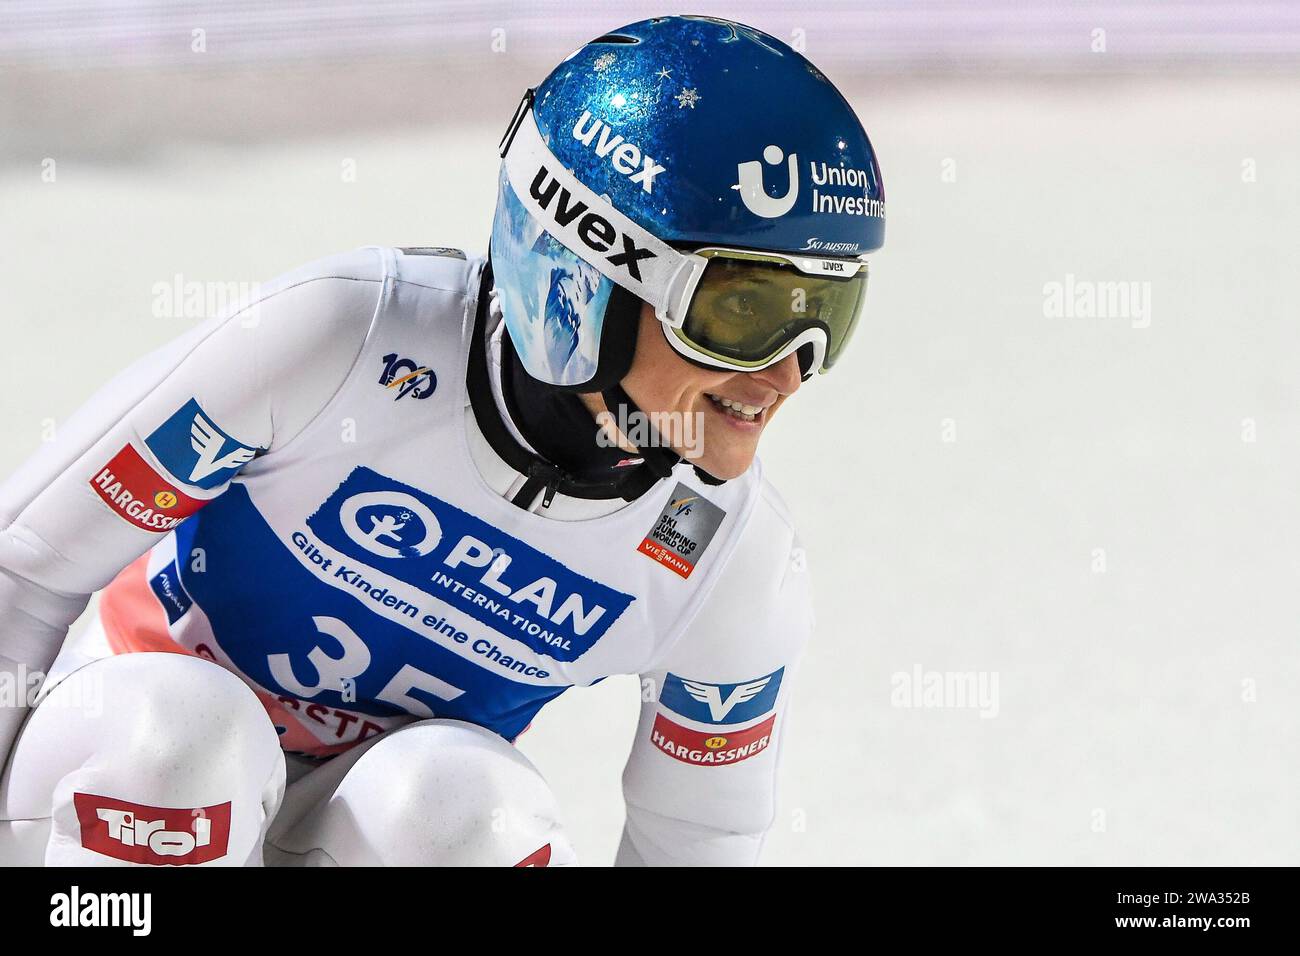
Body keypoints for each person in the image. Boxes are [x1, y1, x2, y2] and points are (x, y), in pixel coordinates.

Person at [0, 15, 884, 866]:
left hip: (358, 831)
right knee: (177, 740)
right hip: (113, 777)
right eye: (744, 313)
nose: (786, 375)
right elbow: (26, 575)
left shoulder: (733, 561)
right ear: (588, 268)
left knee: (463, 814)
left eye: (823, 319)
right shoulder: (340, 339)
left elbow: (702, 845)